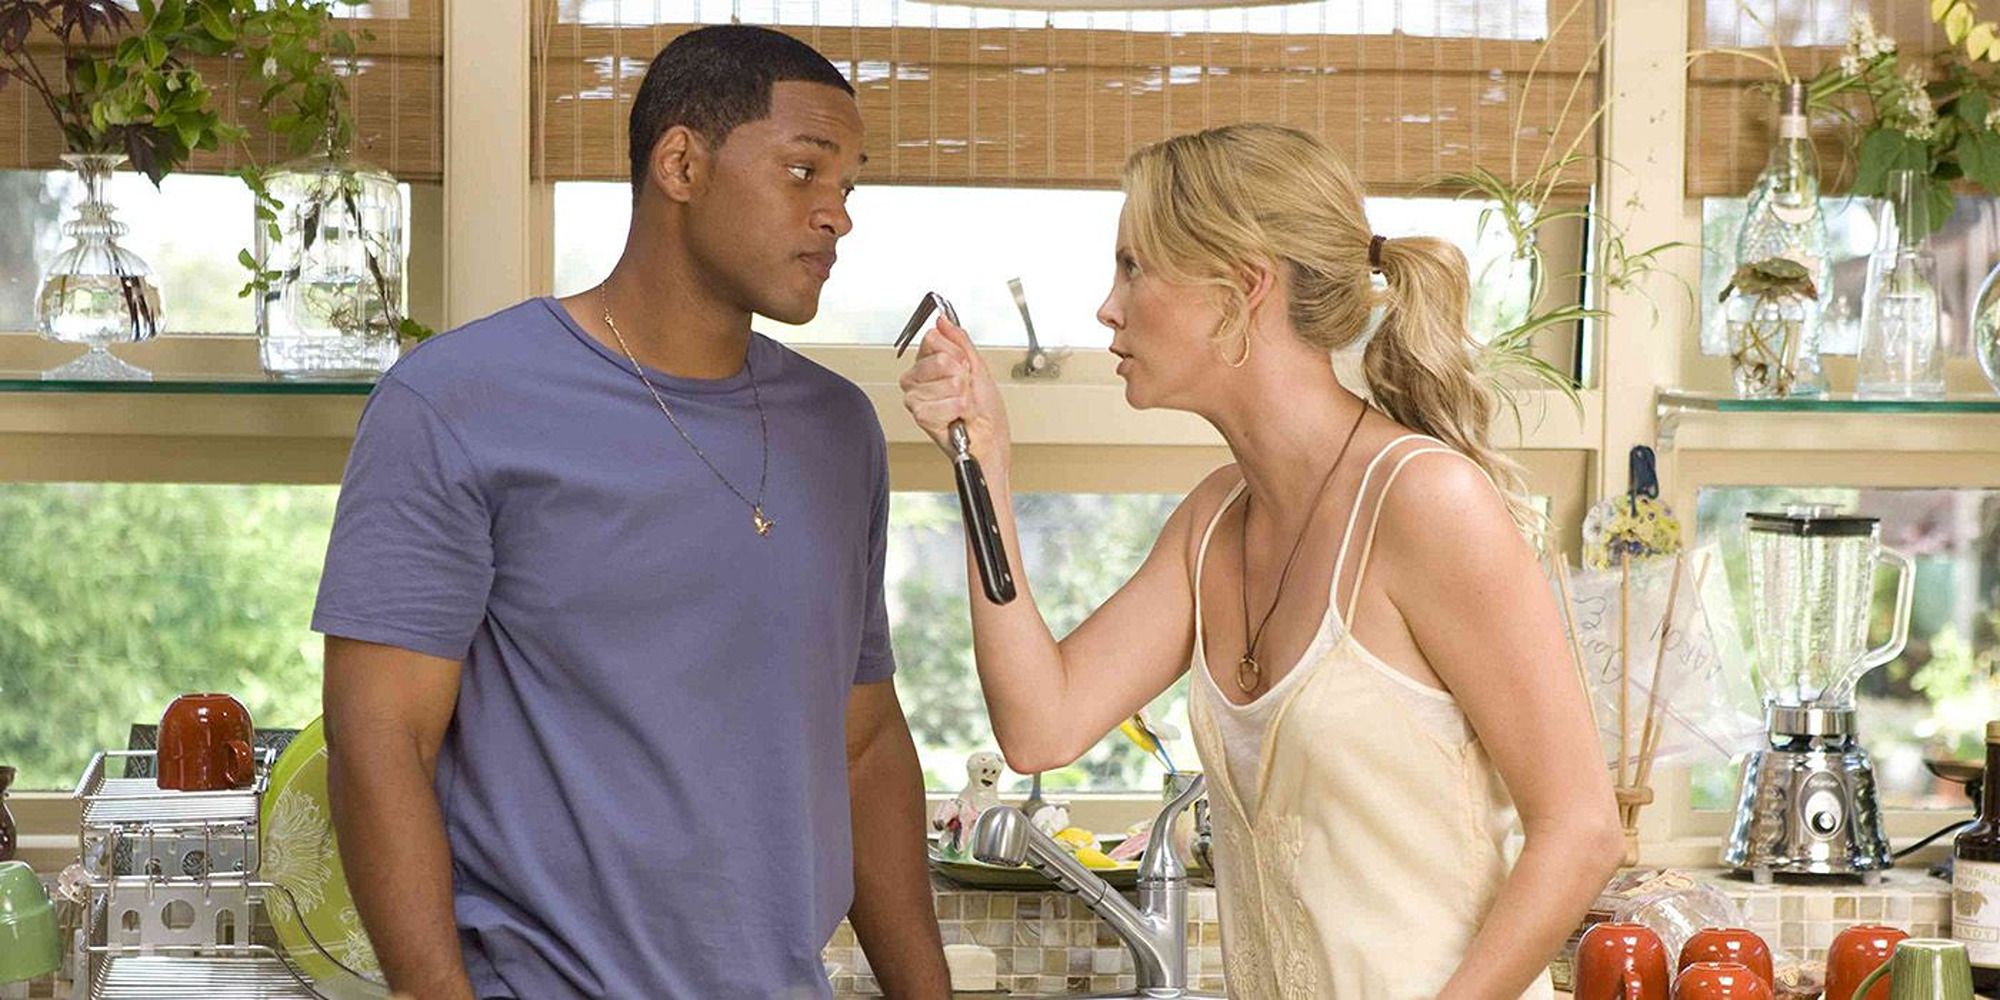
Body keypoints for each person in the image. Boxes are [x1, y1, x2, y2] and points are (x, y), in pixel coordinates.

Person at [898, 123, 1619, 998]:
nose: (1108, 308)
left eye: (1133, 267)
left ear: (1241, 289)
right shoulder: (1213, 524)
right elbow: (1039, 726)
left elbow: (1582, 829)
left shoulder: (1425, 501)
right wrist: (981, 464)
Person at [313, 25, 948, 999]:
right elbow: (380, 741)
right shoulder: (455, 401)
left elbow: (862, 746)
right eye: (803, 171)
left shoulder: (838, 430)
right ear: (681, 164)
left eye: (847, 187)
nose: (837, 216)